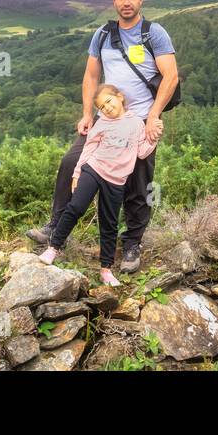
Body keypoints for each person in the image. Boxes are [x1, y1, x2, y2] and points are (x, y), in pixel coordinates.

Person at [27, 0, 178, 273]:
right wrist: (86, 114)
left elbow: (171, 77)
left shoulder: (154, 33)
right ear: (114, 1)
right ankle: (56, 225)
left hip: (139, 121)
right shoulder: (103, 35)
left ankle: (132, 243)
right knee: (72, 162)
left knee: (138, 182)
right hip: (106, 117)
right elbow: (91, 76)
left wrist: (154, 116)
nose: (126, 2)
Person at [39, 84, 155, 285]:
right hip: (93, 169)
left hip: (117, 180)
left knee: (109, 223)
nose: (107, 108)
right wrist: (77, 173)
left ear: (120, 97)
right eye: (102, 107)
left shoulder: (137, 123)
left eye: (109, 101)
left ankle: (106, 270)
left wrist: (155, 137)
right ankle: (52, 249)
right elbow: (88, 149)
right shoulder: (101, 123)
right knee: (75, 207)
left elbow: (141, 152)